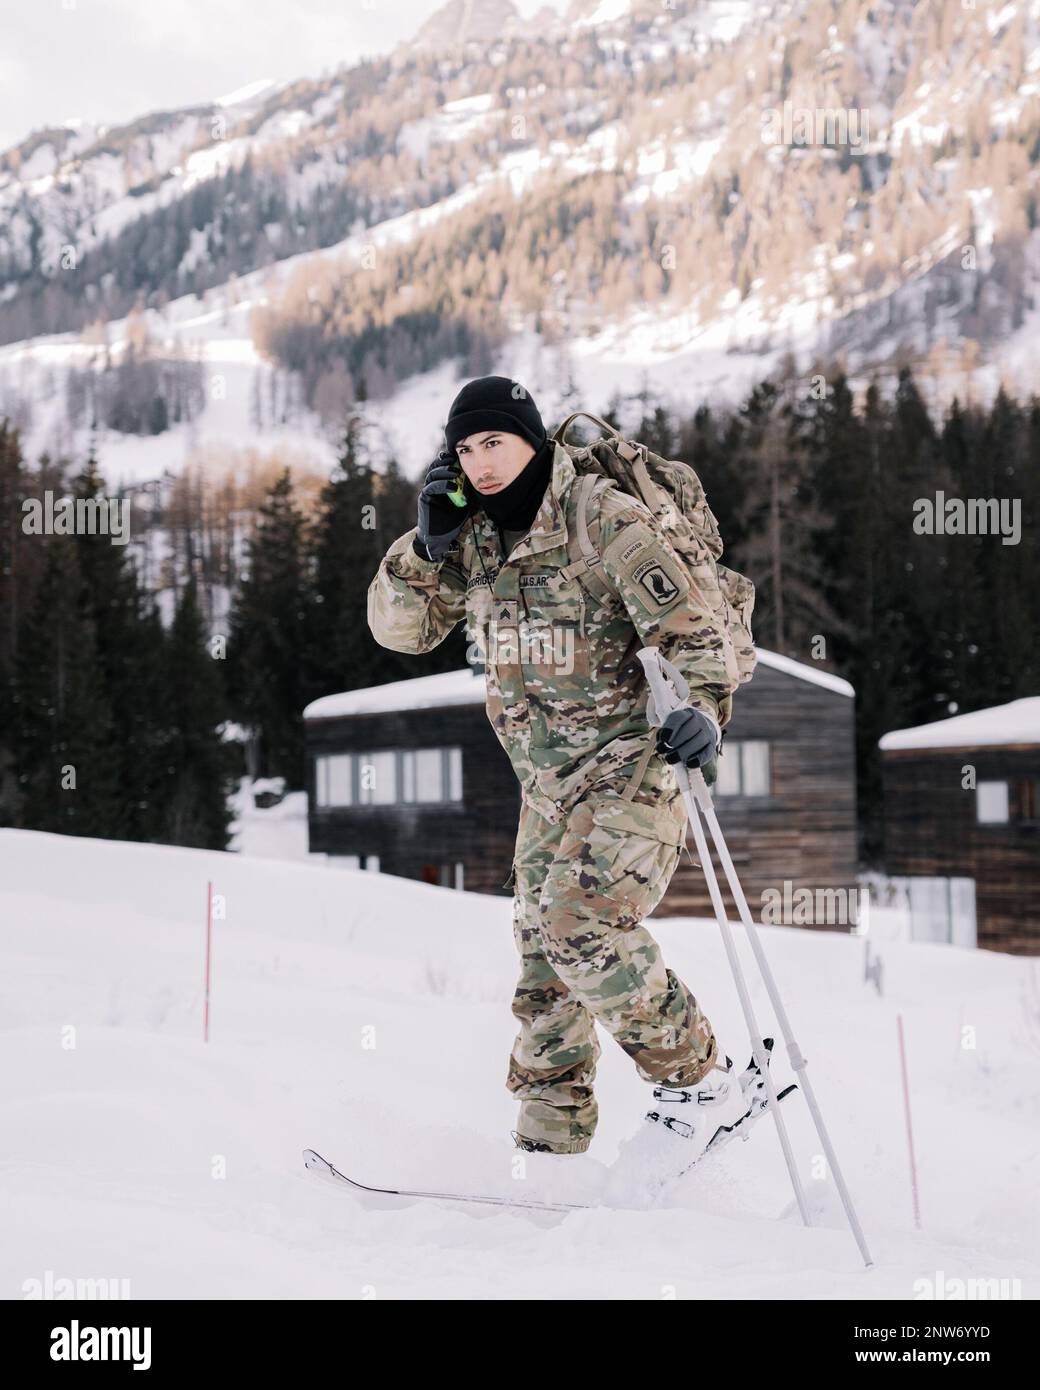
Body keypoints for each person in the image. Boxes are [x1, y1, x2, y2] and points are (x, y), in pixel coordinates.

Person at [367, 375, 750, 1193]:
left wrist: (705, 713)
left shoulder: (602, 516)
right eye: (466, 448)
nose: (481, 461)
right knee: (542, 961)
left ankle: (706, 1083)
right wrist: (423, 550)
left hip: (634, 765)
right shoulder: (469, 533)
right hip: (547, 784)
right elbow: (398, 633)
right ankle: (549, 1158)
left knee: (580, 927)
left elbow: (693, 632)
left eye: (495, 442)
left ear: (531, 440)